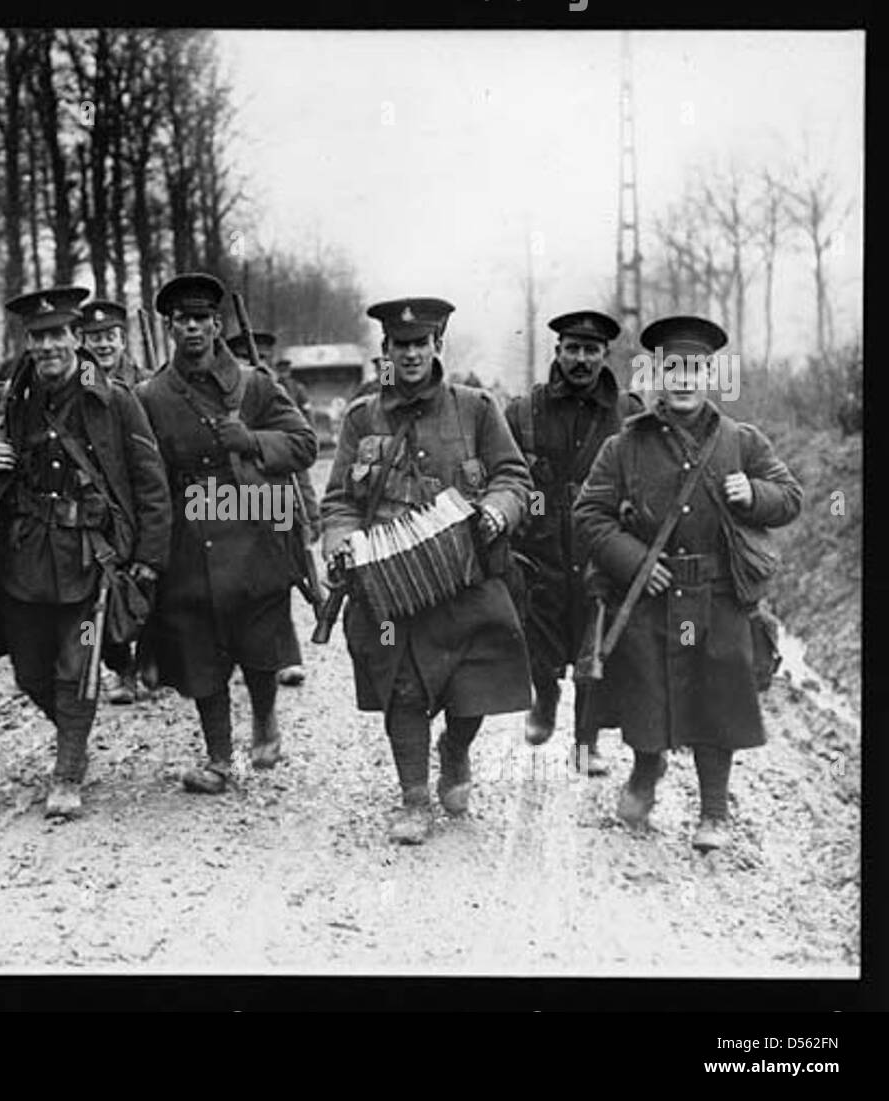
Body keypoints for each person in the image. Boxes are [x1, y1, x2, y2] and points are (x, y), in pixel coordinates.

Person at [0, 285, 171, 818]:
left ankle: (67, 771)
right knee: (30, 672)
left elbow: (149, 483)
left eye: (57, 335)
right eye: (38, 337)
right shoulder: (6, 400)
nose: (48, 347)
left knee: (76, 664)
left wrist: (148, 560)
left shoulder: (113, 399)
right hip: (21, 559)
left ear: (74, 338)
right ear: (29, 342)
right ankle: (74, 735)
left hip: (90, 559)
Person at [573, 315, 802, 852]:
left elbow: (790, 497)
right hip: (651, 597)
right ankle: (645, 773)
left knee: (716, 703)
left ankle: (714, 813)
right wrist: (632, 560)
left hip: (718, 597)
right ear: (655, 374)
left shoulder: (741, 441)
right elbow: (589, 513)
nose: (682, 380)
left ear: (711, 376)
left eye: (693, 369)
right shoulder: (626, 446)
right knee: (648, 695)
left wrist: (757, 495)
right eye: (671, 368)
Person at [321, 297, 533, 844]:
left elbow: (514, 477)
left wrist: (497, 509)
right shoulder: (362, 418)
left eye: (421, 343)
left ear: (438, 345)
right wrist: (341, 544)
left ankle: (456, 749)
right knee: (404, 691)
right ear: (386, 350)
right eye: (400, 344)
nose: (411, 354)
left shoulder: (477, 410)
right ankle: (414, 799)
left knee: (477, 685)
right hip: (390, 588)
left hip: (465, 577)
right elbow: (340, 500)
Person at [135, 274, 318, 793]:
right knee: (197, 643)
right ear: (170, 328)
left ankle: (264, 721)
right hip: (188, 534)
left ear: (218, 325)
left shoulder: (255, 385)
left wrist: (254, 440)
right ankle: (218, 757)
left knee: (258, 637)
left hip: (254, 524)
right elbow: (142, 468)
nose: (192, 328)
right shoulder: (150, 395)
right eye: (182, 320)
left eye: (202, 319)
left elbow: (303, 443)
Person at [504, 310, 644, 776]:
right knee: (534, 640)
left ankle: (585, 744)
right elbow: (503, 471)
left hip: (598, 548)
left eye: (591, 350)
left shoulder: (628, 413)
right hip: (537, 548)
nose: (581, 359)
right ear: (558, 352)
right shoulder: (525, 411)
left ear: (606, 356)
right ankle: (544, 699)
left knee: (595, 646)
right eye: (572, 349)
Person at [225, 331, 320, 688]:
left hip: (276, 498)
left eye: (262, 357)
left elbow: (300, 457)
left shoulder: (281, 391)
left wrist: (309, 512)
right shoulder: (226, 394)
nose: (255, 363)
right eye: (248, 357)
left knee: (280, 579)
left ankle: (287, 656)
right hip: (229, 503)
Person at [81, 298, 151, 704]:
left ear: (123, 340)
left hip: (140, 496)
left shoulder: (145, 383)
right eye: (95, 338)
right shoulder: (75, 385)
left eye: (110, 337)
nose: (103, 345)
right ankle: (121, 669)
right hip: (99, 507)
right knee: (102, 591)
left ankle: (151, 659)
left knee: (150, 585)